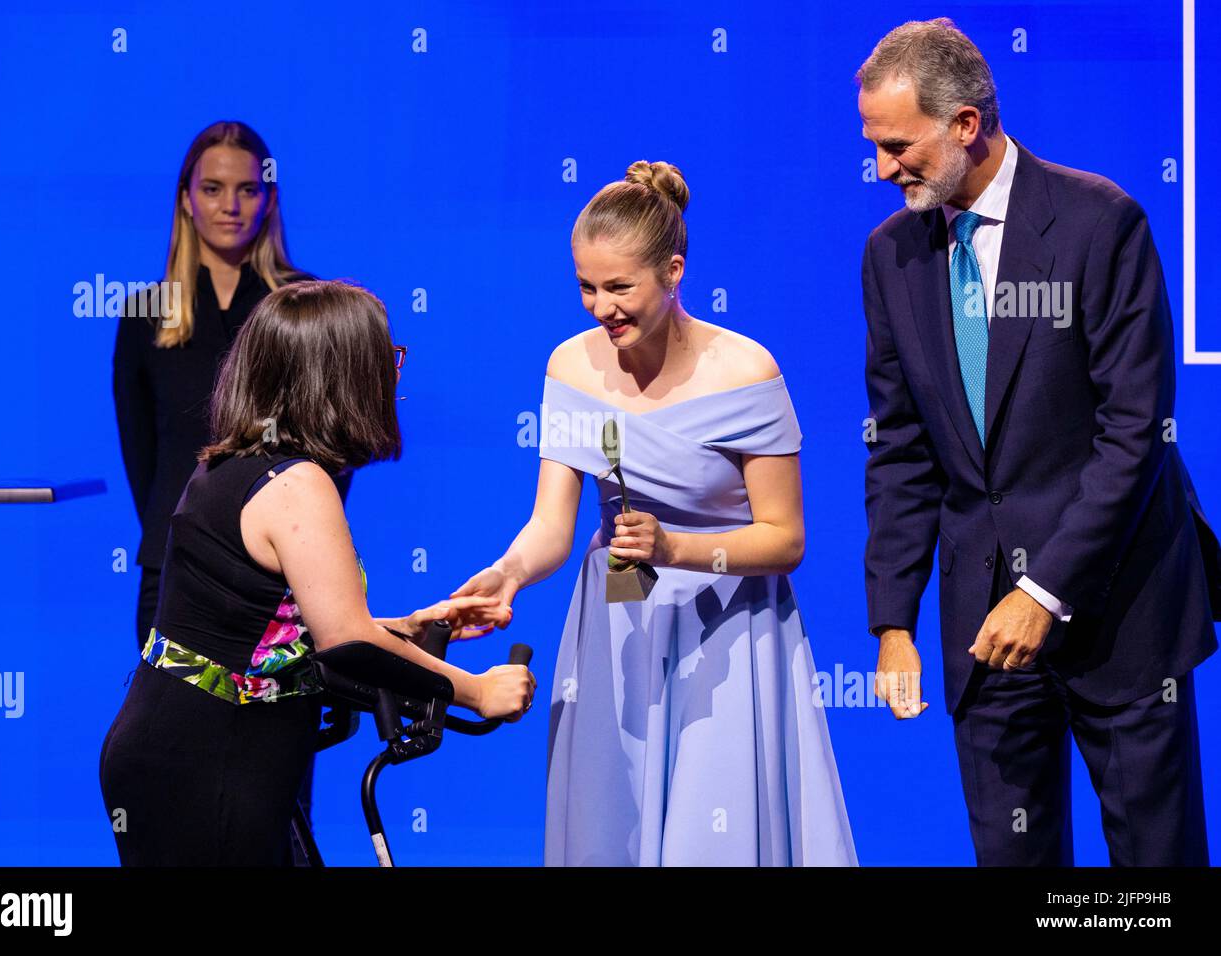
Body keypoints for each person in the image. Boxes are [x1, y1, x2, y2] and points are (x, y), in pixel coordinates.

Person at [857, 18, 1219, 865]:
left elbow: (1135, 432)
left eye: (899, 146)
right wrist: (893, 623)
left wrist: (1044, 590)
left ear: (967, 125)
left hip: (1119, 611)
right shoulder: (890, 257)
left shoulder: (1101, 223)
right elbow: (901, 448)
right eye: (874, 145)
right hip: (982, 631)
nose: (882, 169)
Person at [452, 161, 856, 866]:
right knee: (615, 829)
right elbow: (552, 525)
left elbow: (786, 538)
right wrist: (508, 572)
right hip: (617, 625)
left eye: (618, 287)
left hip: (730, 629)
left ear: (673, 271)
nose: (598, 307)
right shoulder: (570, 367)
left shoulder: (745, 371)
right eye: (585, 286)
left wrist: (676, 549)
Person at [99, 280, 534, 866]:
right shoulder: (298, 484)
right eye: (386, 357)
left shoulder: (238, 465)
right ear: (343, 375)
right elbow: (347, 640)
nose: (396, 373)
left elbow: (268, 632)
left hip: (183, 753)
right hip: (206, 764)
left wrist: (409, 628)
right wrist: (478, 692)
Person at [113, 120, 337, 654]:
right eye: (212, 189)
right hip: (173, 560)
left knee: (267, 733)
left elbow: (330, 442)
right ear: (187, 200)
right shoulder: (145, 311)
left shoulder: (305, 302)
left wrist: (305, 535)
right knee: (171, 730)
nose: (230, 205)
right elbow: (141, 454)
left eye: (247, 189)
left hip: (281, 564)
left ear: (269, 198)